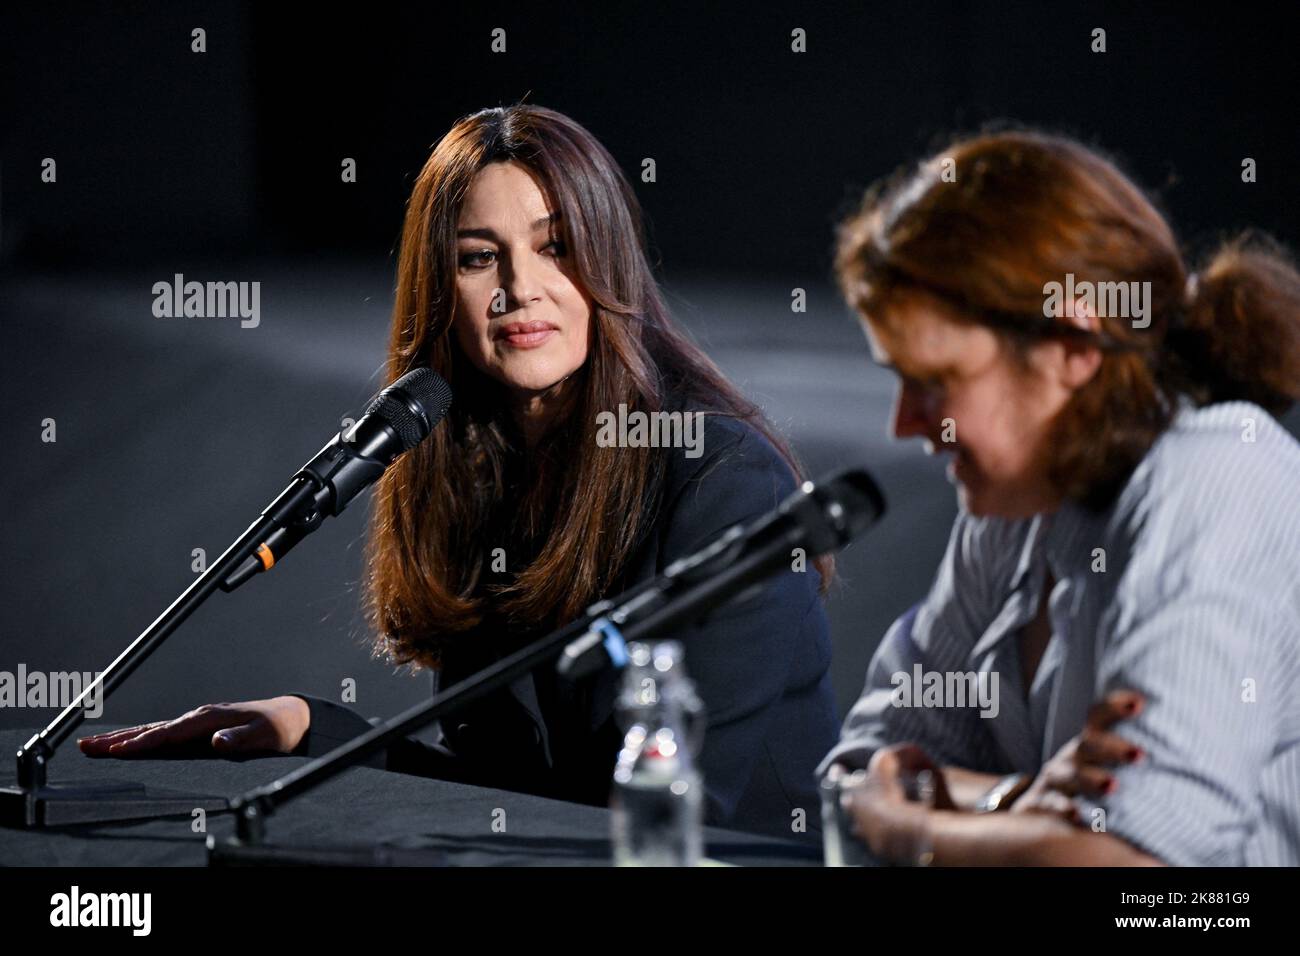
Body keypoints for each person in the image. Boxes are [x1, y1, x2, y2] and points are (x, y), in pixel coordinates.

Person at [79, 104, 839, 842]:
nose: (520, 287)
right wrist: (312, 727)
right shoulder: (482, 473)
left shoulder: (727, 483)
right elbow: (510, 798)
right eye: (479, 258)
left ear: (610, 258)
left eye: (556, 245)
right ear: (441, 290)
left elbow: (653, 818)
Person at [821, 129, 1300, 865]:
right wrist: (1014, 801)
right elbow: (864, 771)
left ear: (1074, 347)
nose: (904, 423)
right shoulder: (1016, 508)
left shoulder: (1218, 476)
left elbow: (1138, 873)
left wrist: (917, 834)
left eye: (934, 381)